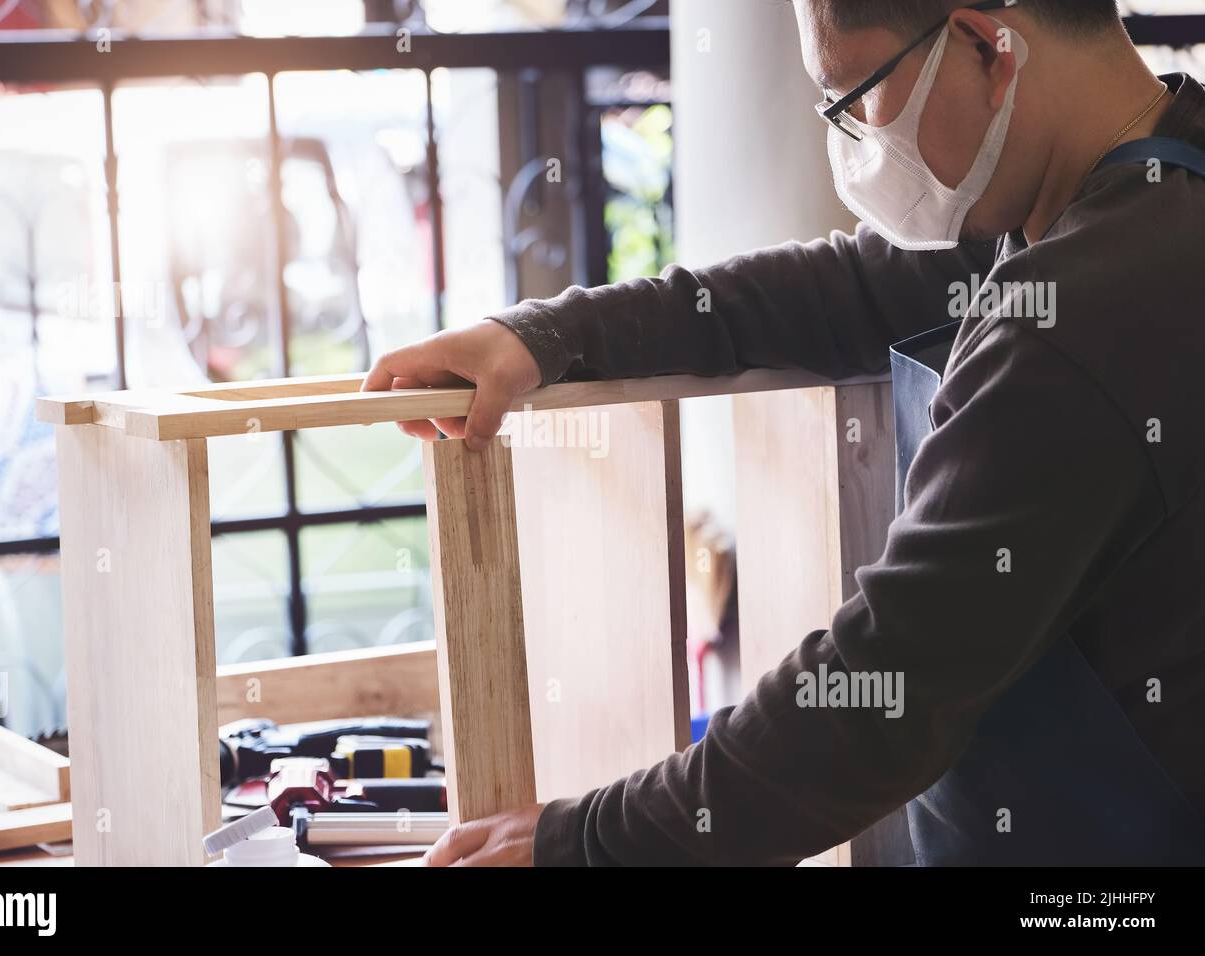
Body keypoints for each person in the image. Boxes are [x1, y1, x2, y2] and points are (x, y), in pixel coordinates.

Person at [362, 0, 1205, 865]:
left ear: (984, 45)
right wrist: (551, 335)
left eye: (859, 99)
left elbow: (884, 693)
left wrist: (583, 843)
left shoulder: (1085, 316)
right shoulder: (1130, 180)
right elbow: (843, 289)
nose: (854, 149)